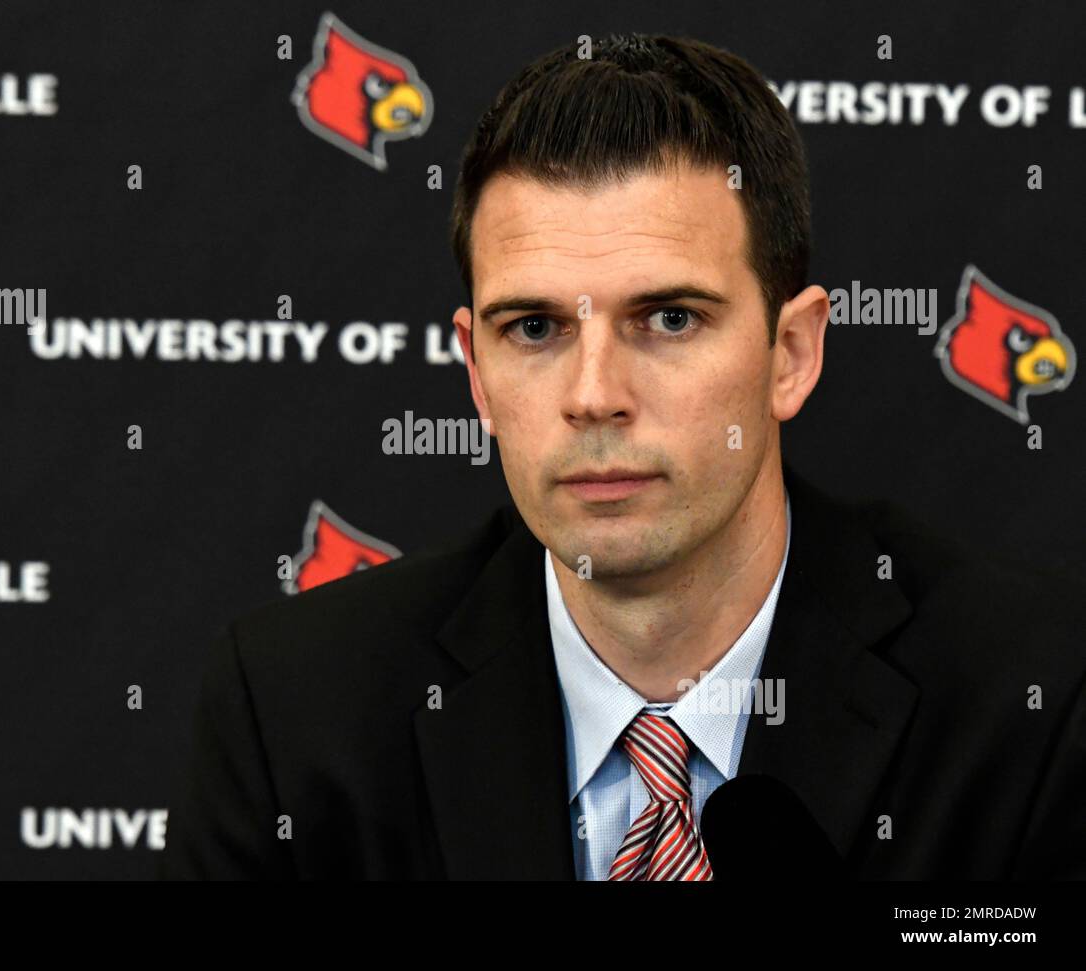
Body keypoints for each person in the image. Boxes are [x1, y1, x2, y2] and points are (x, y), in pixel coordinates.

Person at [159, 33, 1086, 880]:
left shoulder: (1036, 703)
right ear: (476, 374)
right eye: (533, 327)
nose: (594, 393)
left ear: (791, 354)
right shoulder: (296, 715)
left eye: (669, 318)